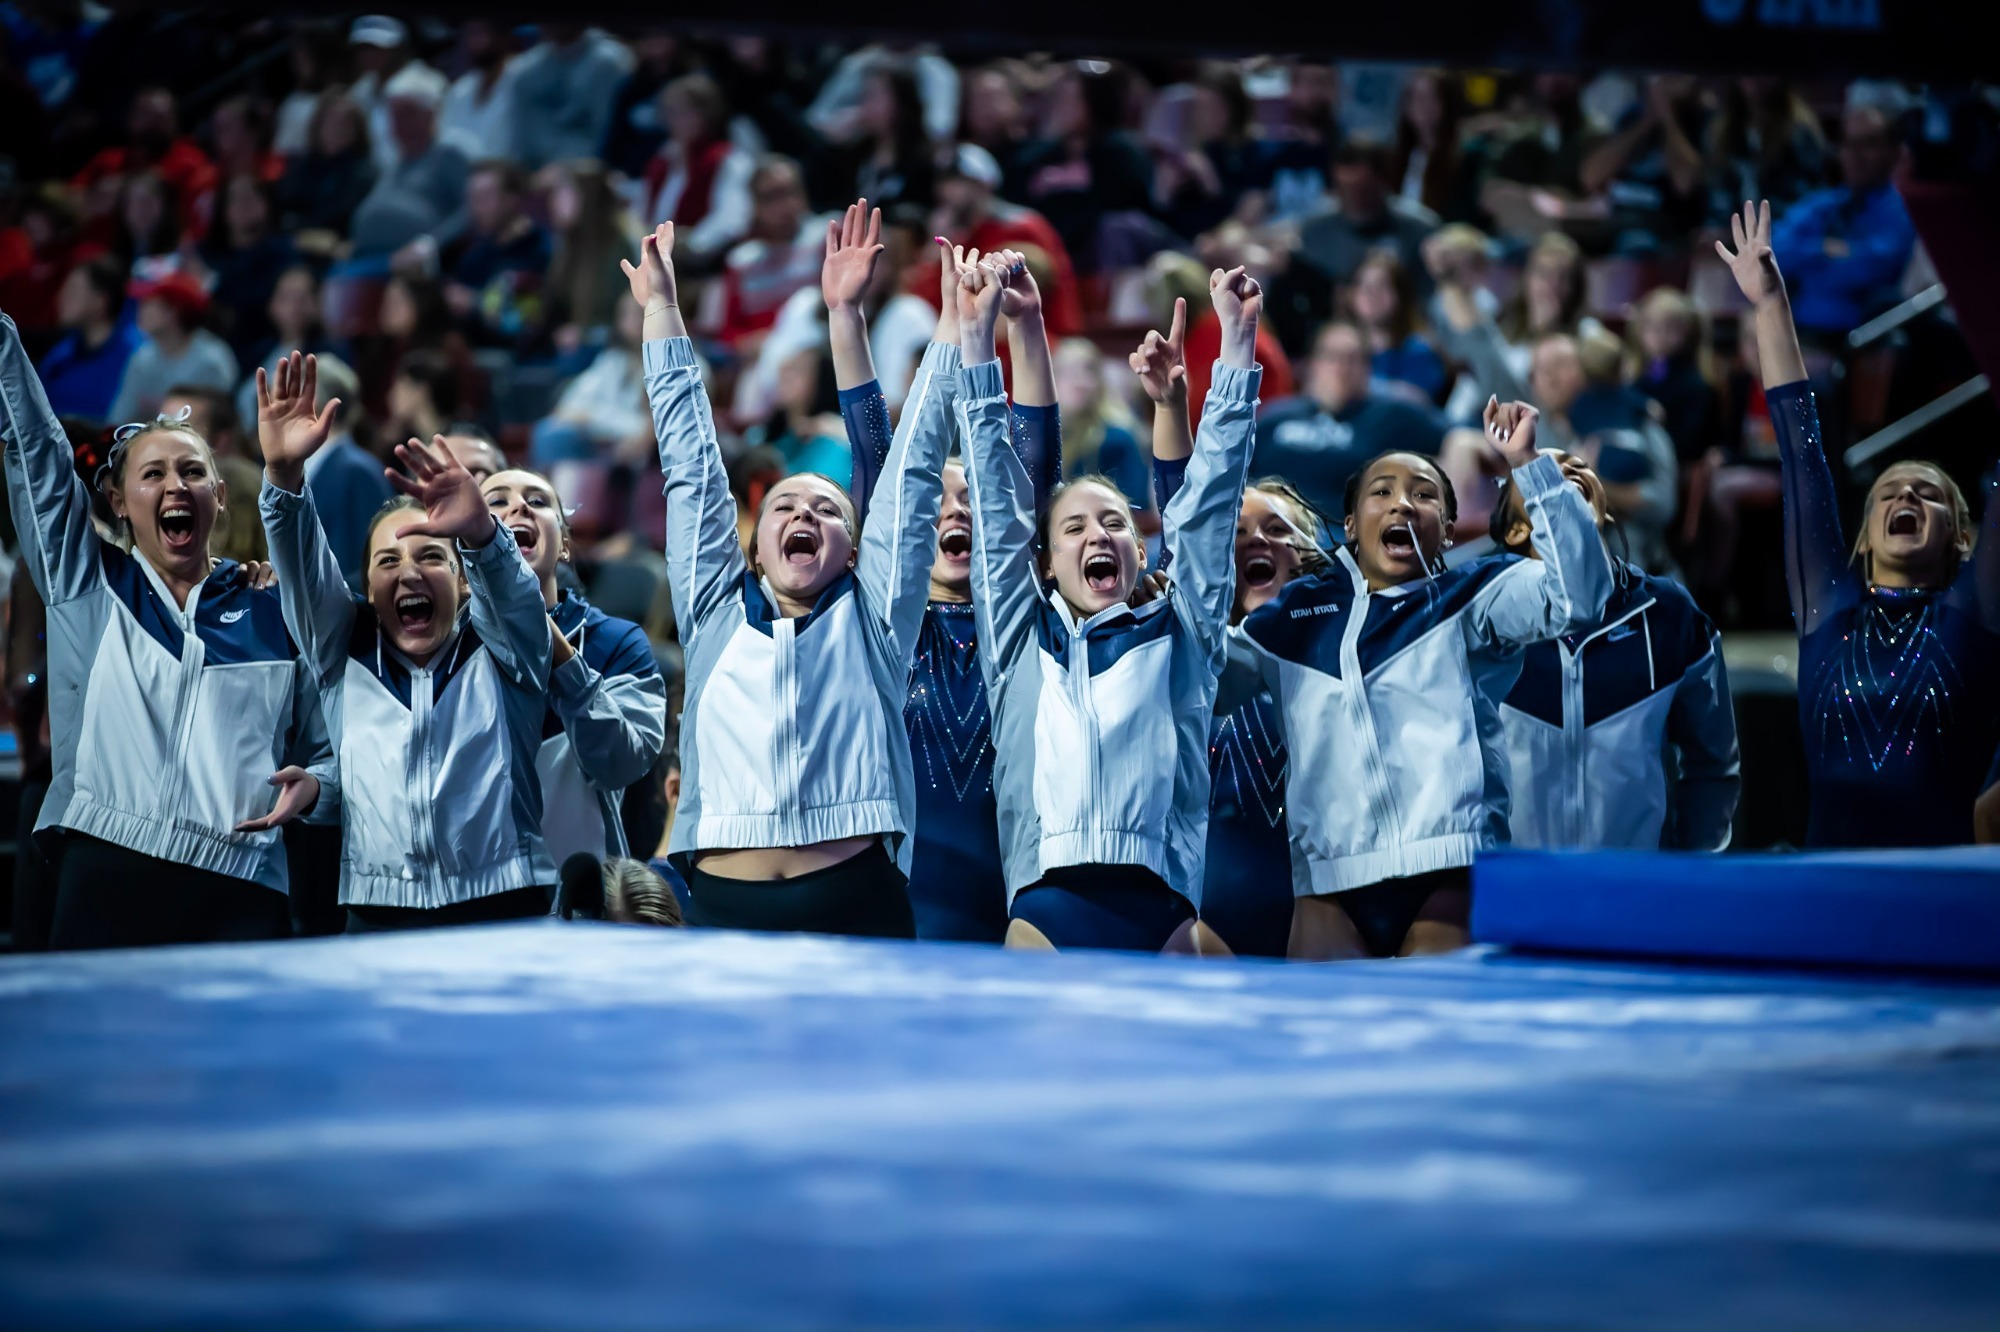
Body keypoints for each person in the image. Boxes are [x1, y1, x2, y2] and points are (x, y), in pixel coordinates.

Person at [637, 218, 956, 936]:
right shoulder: (715, 612)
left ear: (853, 551)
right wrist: (661, 309)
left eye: (827, 509)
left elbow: (910, 476)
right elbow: (691, 466)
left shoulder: (875, 622)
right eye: (785, 504)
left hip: (853, 895)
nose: (803, 512)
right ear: (756, 545)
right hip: (723, 901)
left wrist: (955, 334)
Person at [1227, 399, 1612, 960]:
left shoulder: (1476, 594)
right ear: (1353, 525)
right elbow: (1198, 684)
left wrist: (1528, 463)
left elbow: (1580, 596)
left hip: (1447, 870)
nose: (1403, 503)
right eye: (1381, 491)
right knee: (1326, 1047)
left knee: (1439, 1044)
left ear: (1449, 530)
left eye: (1425, 494)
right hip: (1328, 883)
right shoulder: (1290, 617)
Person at [2, 311, 333, 950]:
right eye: (152, 474)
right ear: (118, 500)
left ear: (220, 495)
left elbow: (328, 750)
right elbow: (37, 460)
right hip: (107, 869)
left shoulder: (273, 606)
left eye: (191, 471)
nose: (174, 485)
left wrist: (322, 788)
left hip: (242, 887)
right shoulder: (87, 586)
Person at [965, 259, 1263, 952]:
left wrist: (1238, 346)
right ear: (1043, 561)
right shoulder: (1017, 634)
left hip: (1160, 903)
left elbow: (1211, 510)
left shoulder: (1181, 631)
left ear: (1139, 550)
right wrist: (980, 347)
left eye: (1115, 524)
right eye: (1074, 527)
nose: (1098, 534)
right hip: (1046, 903)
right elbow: (991, 487)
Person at [1718, 199, 2000, 847]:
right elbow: (1801, 453)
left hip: (1943, 892)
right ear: (1864, 535)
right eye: (1888, 494)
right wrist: (1770, 307)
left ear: (1961, 537)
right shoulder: (1830, 610)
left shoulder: (1972, 615)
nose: (1905, 496)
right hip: (1831, 888)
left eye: (1928, 495)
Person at [258, 352, 561, 929]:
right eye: (388, 561)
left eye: (430, 556)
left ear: (464, 579)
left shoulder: (507, 651)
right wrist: (284, 478)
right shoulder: (341, 650)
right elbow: (302, 568)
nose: (409, 573)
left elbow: (518, 601)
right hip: (377, 912)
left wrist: (480, 532)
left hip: (503, 905)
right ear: (367, 587)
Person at [827, 215, 1060, 944]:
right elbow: (878, 458)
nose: (954, 511)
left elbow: (1031, 462)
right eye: (937, 501)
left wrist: (1025, 327)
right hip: (899, 903)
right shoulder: (884, 632)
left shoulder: (1019, 633)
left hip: (1010, 897)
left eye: (973, 500)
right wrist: (844, 315)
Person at [1134, 301, 1314, 957]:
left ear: (1308, 556)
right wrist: (1170, 406)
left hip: (1314, 902)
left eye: (1276, 531)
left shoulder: (1329, 649)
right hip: (1194, 909)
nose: (1254, 542)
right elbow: (1190, 524)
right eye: (1237, 534)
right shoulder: (1188, 651)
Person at [1493, 450, 1740, 849]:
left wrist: (1695, 870)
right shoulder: (1484, 624)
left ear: (1603, 511)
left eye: (1576, 465)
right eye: (1538, 471)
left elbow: (1712, 765)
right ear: (1517, 531)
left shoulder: (1669, 613)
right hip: (1516, 894)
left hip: (1635, 894)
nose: (1566, 469)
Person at [480, 466, 666, 866]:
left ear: (564, 544)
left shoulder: (617, 641)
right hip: (475, 888)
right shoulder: (450, 643)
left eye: (538, 501)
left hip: (584, 886)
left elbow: (622, 763)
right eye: (497, 501)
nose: (519, 507)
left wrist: (548, 642)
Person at [1252, 320, 1447, 525]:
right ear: (1313, 364)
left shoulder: (1392, 415)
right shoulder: (1276, 415)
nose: (1341, 368)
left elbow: (1458, 437)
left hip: (1334, 533)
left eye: (1352, 359)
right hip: (1263, 525)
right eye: (1332, 357)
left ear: (1367, 368)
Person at [1769, 106, 1915, 341]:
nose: (1854, 155)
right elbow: (1772, 251)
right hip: (1798, 335)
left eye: (1868, 143)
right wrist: (1823, 248)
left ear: (1895, 152)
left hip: (1861, 341)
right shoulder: (1822, 204)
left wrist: (1806, 264)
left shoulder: (1903, 209)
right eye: (1848, 143)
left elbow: (1876, 267)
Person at [107, 272, 239, 424]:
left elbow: (211, 427)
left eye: (150, 303)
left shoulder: (211, 361)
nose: (141, 309)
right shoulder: (142, 358)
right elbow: (119, 419)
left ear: (173, 311)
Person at [37, 257, 141, 422]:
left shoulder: (136, 354)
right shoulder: (60, 355)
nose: (61, 298)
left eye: (73, 292)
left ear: (100, 301)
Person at [1345, 249, 1448, 404]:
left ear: (1400, 295)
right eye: (1364, 286)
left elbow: (1418, 402)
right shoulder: (1341, 349)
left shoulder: (1419, 351)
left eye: (1383, 286)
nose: (1371, 294)